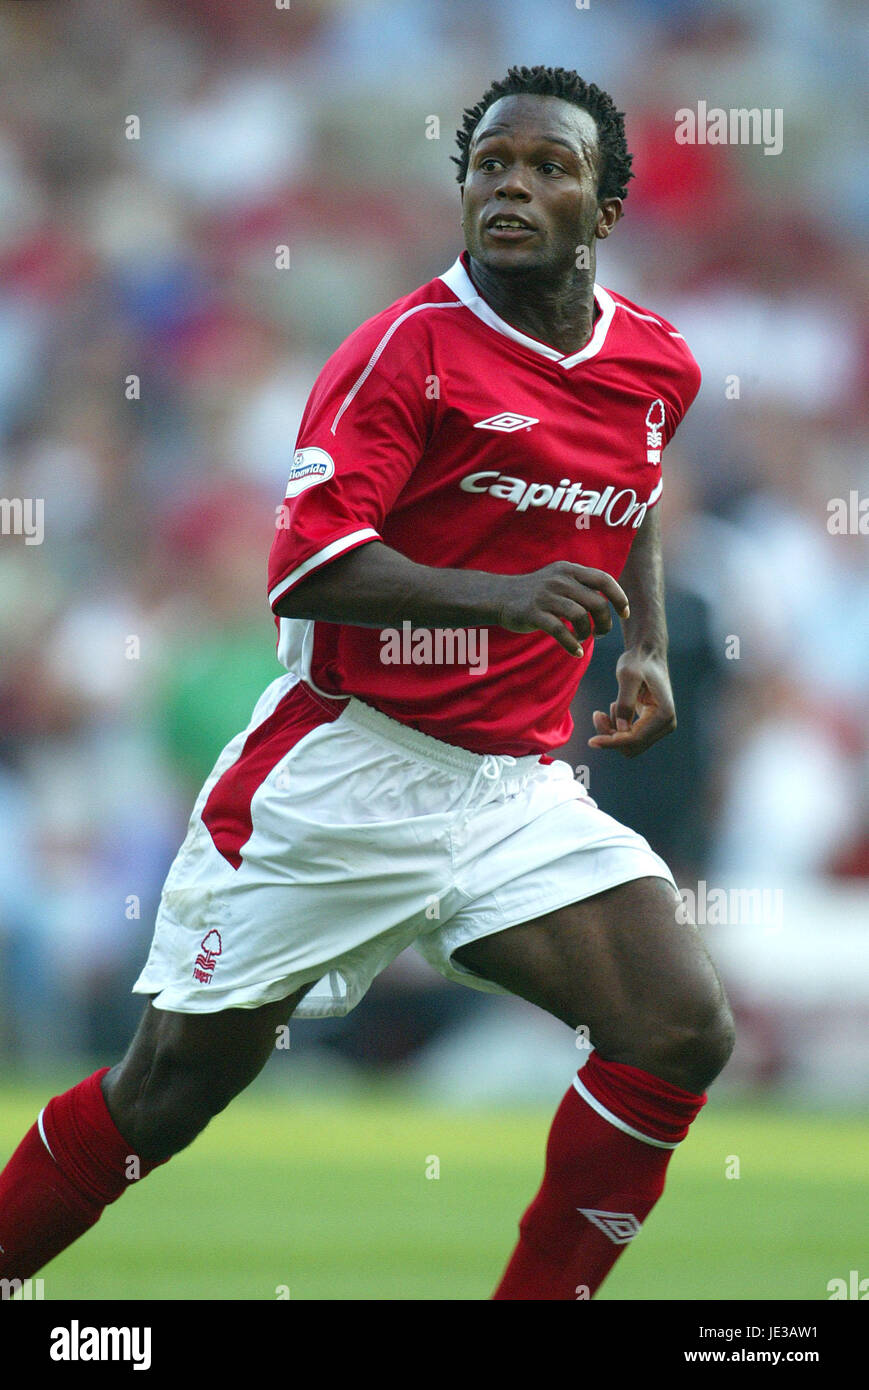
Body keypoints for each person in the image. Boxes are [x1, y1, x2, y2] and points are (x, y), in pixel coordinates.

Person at [0, 65, 734, 1301]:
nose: (510, 184)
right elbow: (309, 565)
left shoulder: (654, 363)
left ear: (602, 209)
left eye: (547, 167)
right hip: (341, 770)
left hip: (504, 788)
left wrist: (644, 641)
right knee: (166, 1093)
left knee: (676, 1025)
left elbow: (636, 485)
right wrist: (503, 596)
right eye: (489, 163)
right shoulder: (406, 351)